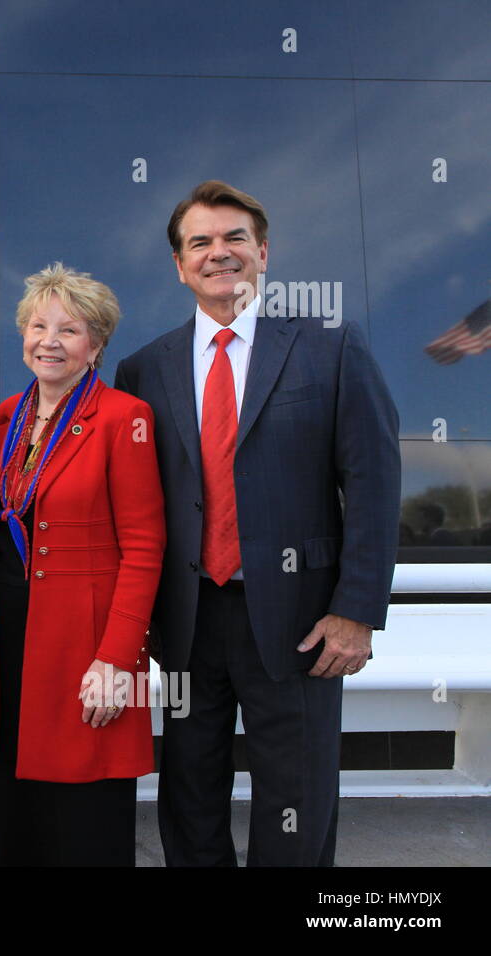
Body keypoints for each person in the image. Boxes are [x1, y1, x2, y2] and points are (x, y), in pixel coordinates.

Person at [114, 180, 401, 866]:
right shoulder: (142, 370)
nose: (220, 253)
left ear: (263, 253)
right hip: (184, 625)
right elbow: (133, 506)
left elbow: (373, 481)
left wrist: (356, 610)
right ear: (180, 266)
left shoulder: (330, 346)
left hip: (302, 622)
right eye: (201, 243)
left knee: (296, 798)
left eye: (235, 238)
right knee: (189, 796)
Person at [0, 262, 165, 866]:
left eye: (69, 330)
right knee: (18, 791)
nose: (48, 341)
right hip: (11, 626)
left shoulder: (123, 417)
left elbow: (145, 546)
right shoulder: (5, 418)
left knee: (85, 803)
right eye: (37, 325)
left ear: (96, 345)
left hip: (85, 638)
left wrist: (117, 659)